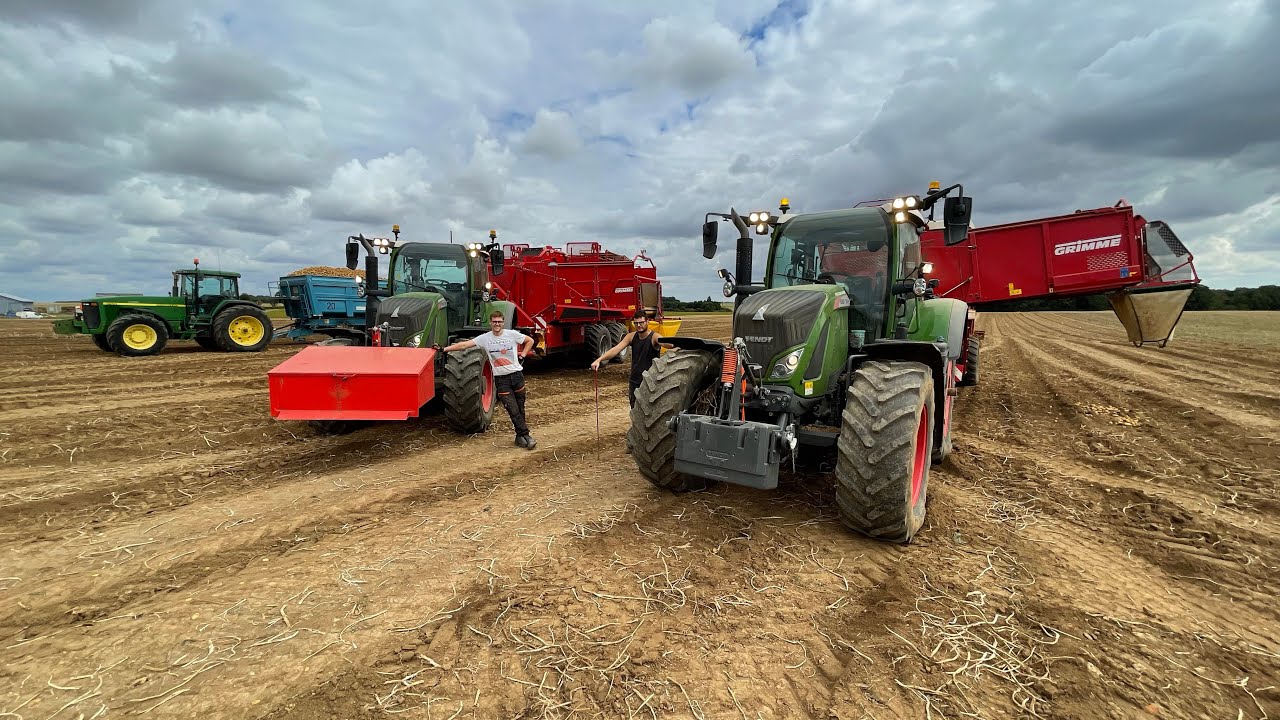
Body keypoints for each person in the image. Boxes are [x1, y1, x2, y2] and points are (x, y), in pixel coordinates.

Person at [439, 311, 537, 449]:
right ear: (491, 323)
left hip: (516, 376)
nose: (497, 324)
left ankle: (519, 437)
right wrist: (444, 349)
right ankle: (527, 436)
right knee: (512, 409)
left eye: (499, 322)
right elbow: (464, 346)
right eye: (494, 322)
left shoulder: (512, 334)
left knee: (520, 408)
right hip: (501, 380)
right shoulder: (485, 338)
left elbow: (530, 341)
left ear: (503, 323)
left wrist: (523, 356)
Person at [590, 310, 674, 408]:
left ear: (647, 322)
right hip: (635, 381)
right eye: (636, 323)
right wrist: (599, 360)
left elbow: (665, 343)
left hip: (652, 381)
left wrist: (673, 344)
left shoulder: (654, 337)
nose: (639, 325)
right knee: (635, 411)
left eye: (641, 323)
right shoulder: (631, 336)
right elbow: (616, 349)